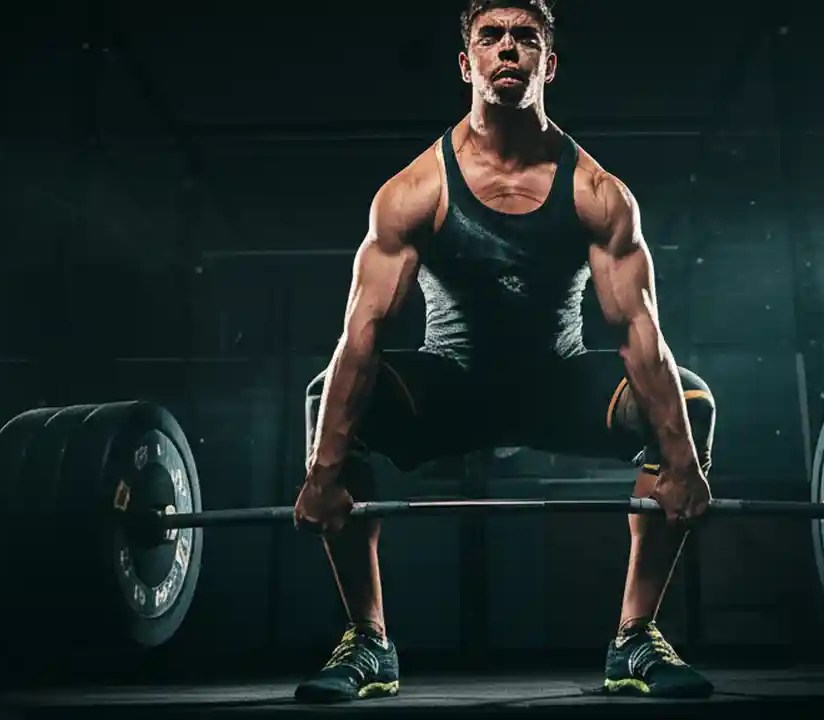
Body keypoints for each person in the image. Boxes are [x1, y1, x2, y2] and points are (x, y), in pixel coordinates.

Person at [291, 0, 717, 703]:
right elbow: (361, 336)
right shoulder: (414, 191)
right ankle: (368, 641)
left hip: (558, 387)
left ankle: (636, 637)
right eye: (491, 37)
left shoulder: (598, 193)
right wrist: (323, 470)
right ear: (468, 64)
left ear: (549, 64)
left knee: (689, 404)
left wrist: (683, 464)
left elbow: (641, 335)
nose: (508, 50)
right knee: (328, 403)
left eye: (526, 38)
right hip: (452, 390)